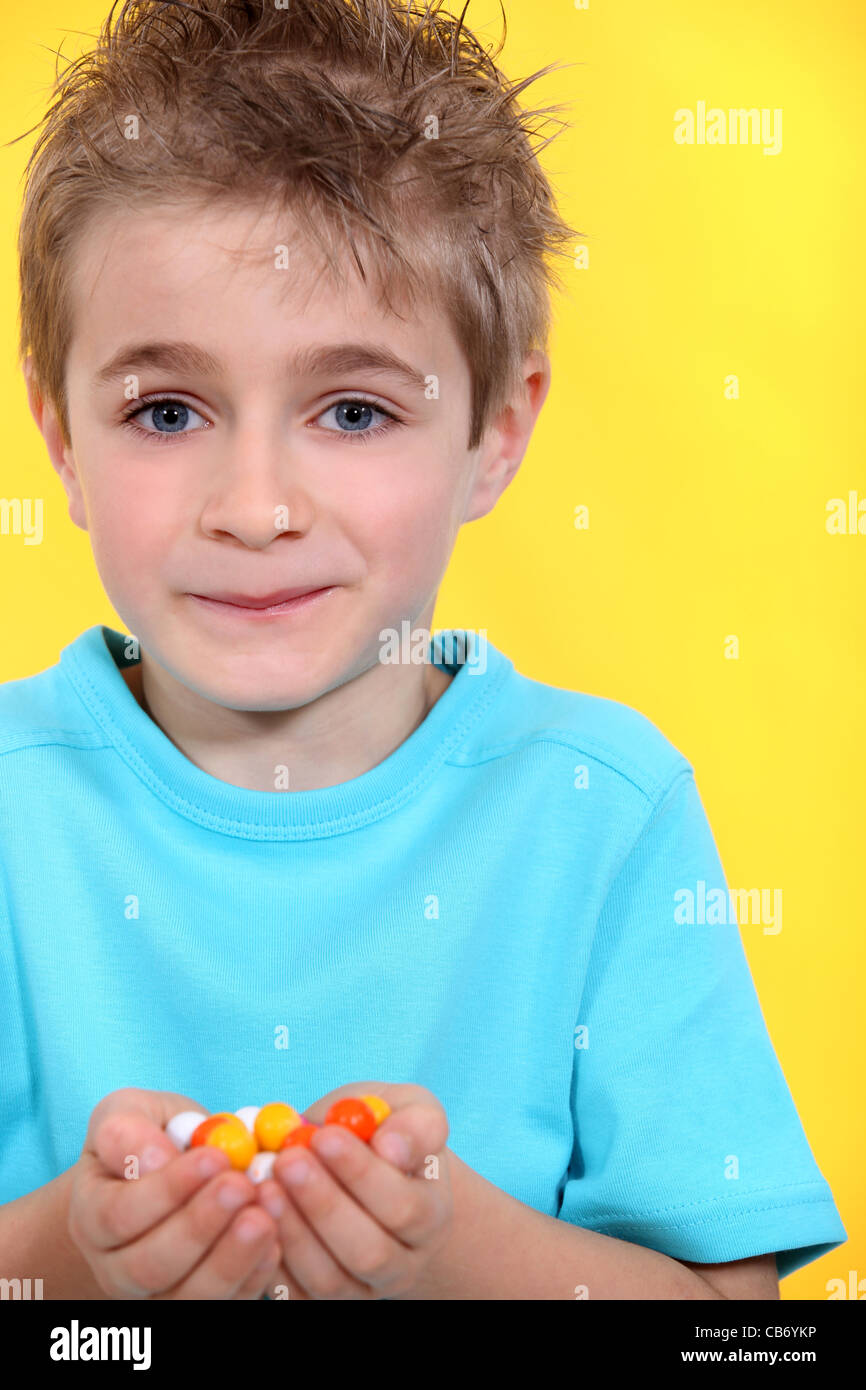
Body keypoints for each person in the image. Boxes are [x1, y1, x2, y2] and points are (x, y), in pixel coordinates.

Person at [0, 0, 845, 1299]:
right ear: (62, 436)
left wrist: (460, 1250)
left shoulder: (603, 809)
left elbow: (732, 1324)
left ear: (496, 433)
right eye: (166, 410)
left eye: (352, 408)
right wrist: (64, 1250)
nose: (256, 502)